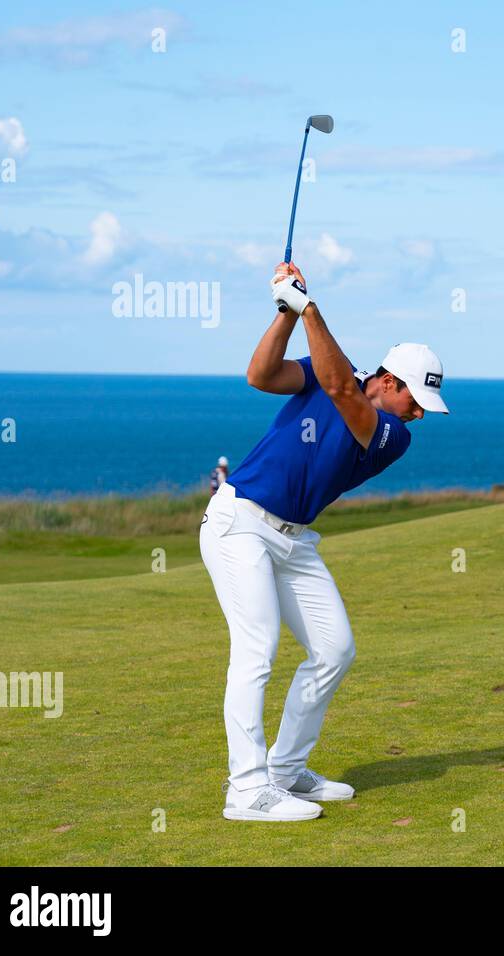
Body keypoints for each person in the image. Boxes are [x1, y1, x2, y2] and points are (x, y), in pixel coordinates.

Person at [200, 262, 449, 822]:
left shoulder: (392, 435)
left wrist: (309, 306)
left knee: (334, 649)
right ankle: (246, 791)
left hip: (294, 540)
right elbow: (261, 376)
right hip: (240, 522)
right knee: (257, 649)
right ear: (389, 381)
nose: (419, 415)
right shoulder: (326, 372)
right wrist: (287, 312)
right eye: (415, 401)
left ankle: (285, 772)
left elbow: (340, 387)